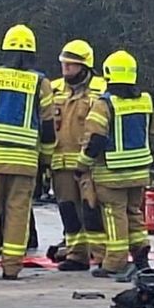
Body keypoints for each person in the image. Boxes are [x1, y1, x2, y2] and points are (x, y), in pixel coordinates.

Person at [0, 24, 56, 280]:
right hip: (25, 161)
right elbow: (48, 129)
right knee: (18, 213)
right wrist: (46, 161)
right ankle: (11, 267)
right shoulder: (41, 83)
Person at [80, 50, 154, 277]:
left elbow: (95, 139)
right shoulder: (145, 101)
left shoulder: (104, 105)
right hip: (139, 173)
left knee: (114, 215)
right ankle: (141, 255)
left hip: (111, 174)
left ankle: (114, 263)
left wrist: (82, 164)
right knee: (134, 213)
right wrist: (146, 159)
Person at [50, 39, 108, 271]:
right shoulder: (54, 89)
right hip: (61, 163)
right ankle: (76, 255)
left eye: (71, 66)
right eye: (64, 65)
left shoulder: (102, 90)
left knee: (93, 210)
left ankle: (102, 255)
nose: (66, 70)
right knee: (68, 210)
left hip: (90, 164)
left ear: (85, 67)